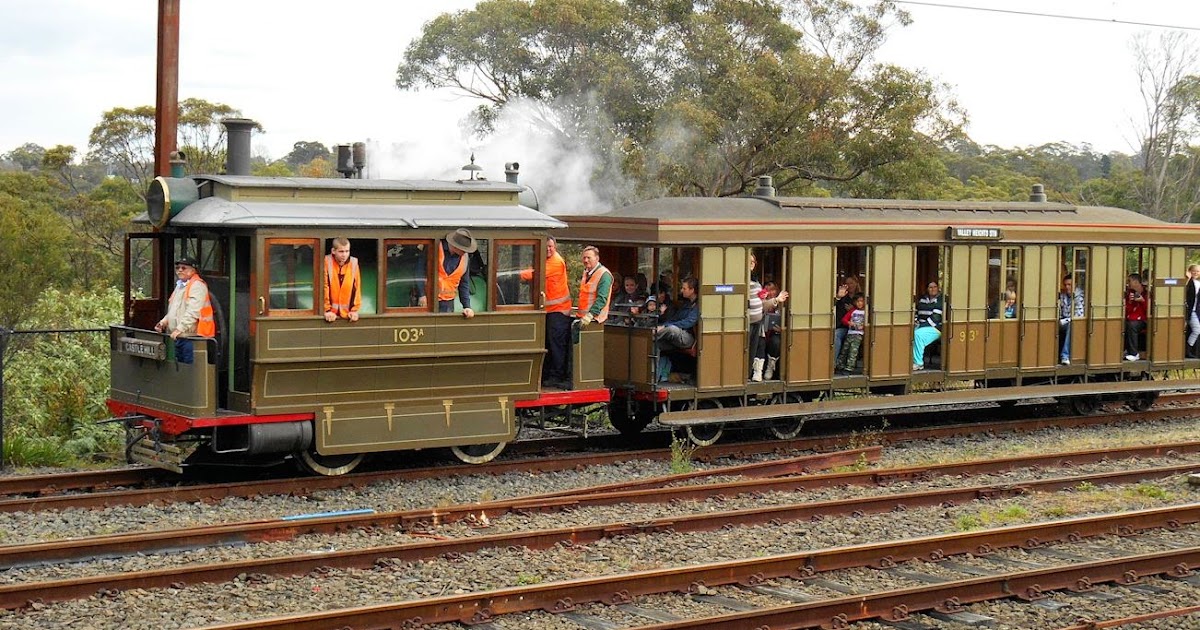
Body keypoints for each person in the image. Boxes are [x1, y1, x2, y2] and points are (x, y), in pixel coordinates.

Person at [521, 236, 572, 388]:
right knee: (548, 344)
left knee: (556, 345)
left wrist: (508, 275)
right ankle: (548, 375)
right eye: (546, 246)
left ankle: (557, 376)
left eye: (550, 246)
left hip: (558, 311)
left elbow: (533, 275)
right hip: (548, 311)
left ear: (555, 246)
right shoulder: (543, 260)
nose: (548, 249)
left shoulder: (556, 262)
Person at [154, 256, 215, 365]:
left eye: (183, 268)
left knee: (189, 370)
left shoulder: (197, 286)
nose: (180, 270)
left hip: (191, 338)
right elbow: (174, 309)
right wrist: (164, 322)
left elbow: (193, 311)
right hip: (179, 337)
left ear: (193, 270)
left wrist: (180, 329)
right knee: (180, 369)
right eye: (178, 268)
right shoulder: (180, 286)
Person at [748, 252, 788, 381]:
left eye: (753, 262)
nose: (750, 264)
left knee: (765, 343)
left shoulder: (756, 282)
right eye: (748, 261)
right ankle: (751, 373)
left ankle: (761, 371)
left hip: (760, 325)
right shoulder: (742, 281)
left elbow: (761, 305)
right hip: (749, 322)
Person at [655, 277, 699, 381]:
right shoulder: (686, 304)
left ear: (692, 290)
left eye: (684, 288)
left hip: (689, 338)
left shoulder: (698, 305)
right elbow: (674, 318)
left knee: (671, 329)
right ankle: (654, 377)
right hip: (678, 336)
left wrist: (664, 327)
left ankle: (652, 334)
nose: (681, 291)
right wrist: (663, 326)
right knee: (655, 345)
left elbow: (689, 322)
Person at [429, 228, 477, 317]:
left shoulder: (465, 258)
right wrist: (422, 295)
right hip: (428, 302)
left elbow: (464, 283)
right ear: (455, 246)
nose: (465, 252)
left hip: (448, 303)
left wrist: (467, 306)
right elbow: (420, 271)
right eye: (463, 249)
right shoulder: (434, 248)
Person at [323, 237, 361, 323]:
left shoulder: (354, 263)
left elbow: (357, 287)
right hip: (330, 313)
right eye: (341, 251)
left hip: (347, 314)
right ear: (333, 251)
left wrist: (354, 310)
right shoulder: (327, 261)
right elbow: (324, 286)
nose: (344, 255)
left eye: (347, 251)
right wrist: (327, 310)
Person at [576, 245, 614, 326]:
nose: (586, 260)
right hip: (582, 318)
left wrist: (590, 315)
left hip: (594, 320)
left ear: (597, 258)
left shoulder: (604, 275)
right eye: (584, 258)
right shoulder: (586, 272)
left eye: (589, 258)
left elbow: (602, 298)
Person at [912, 280, 943, 371]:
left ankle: (918, 363)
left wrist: (921, 326)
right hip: (922, 325)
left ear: (938, 288)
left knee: (918, 335)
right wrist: (916, 321)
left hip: (936, 328)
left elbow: (936, 318)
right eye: (930, 287)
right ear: (927, 289)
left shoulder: (941, 299)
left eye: (935, 287)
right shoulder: (923, 299)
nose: (933, 289)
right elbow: (917, 312)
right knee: (907, 332)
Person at [833, 275, 861, 366]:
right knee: (836, 334)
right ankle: (833, 364)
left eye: (852, 283)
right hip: (843, 326)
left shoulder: (861, 296)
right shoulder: (843, 297)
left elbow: (867, 309)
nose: (850, 285)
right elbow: (832, 306)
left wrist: (853, 310)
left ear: (856, 283)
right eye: (847, 284)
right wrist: (838, 297)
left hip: (857, 328)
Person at [837, 293, 867, 374]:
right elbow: (844, 319)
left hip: (859, 334)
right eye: (858, 301)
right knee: (845, 350)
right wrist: (849, 323)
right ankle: (840, 365)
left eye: (862, 301)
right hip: (850, 333)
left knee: (853, 351)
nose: (860, 303)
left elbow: (868, 323)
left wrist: (863, 326)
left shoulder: (866, 312)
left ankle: (849, 368)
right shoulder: (852, 311)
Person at [1058, 275, 1085, 365]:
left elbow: (1078, 316)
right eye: (1065, 285)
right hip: (1063, 321)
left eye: (1069, 285)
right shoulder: (1063, 296)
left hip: (1076, 323)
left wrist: (1064, 321)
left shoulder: (1079, 296)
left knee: (1072, 325)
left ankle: (1065, 356)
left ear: (1075, 284)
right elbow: (1059, 310)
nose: (1067, 287)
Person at [1124, 273, 1150, 361]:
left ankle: (1134, 354)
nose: (1128, 283)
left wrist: (1142, 301)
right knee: (1122, 323)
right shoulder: (1130, 293)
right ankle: (1124, 350)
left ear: (1135, 282)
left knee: (1132, 325)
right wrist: (1130, 302)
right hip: (1132, 318)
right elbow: (1128, 310)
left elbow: (1149, 310)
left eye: (1129, 281)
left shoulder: (1147, 293)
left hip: (1144, 320)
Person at [762, 281, 783, 380]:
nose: (770, 293)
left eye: (772, 290)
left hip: (775, 334)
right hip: (762, 333)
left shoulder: (782, 305)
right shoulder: (761, 302)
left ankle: (770, 367)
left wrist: (782, 329)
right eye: (767, 290)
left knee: (776, 342)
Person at [1187, 264, 1200, 358]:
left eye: (1198, 271)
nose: (1195, 273)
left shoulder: (1198, 283)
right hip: (1188, 310)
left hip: (1195, 310)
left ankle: (1188, 348)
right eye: (1193, 271)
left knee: (1197, 330)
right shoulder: (1187, 282)